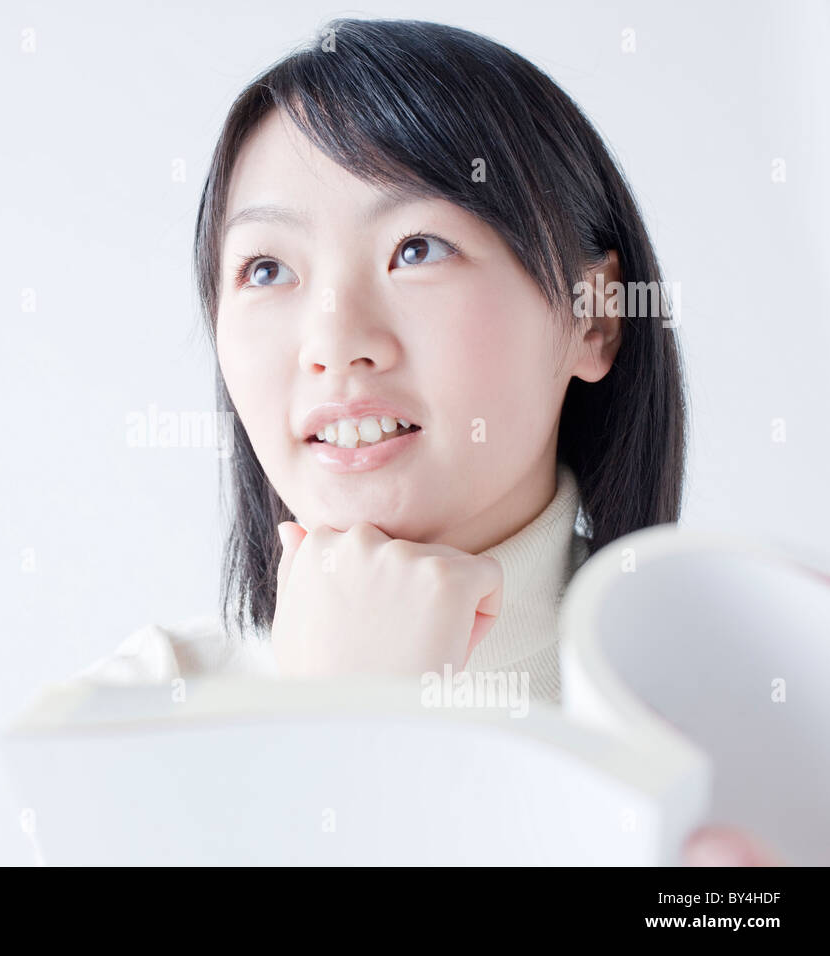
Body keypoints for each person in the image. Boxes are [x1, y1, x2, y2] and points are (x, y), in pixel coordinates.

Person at [69, 17, 776, 867]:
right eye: (267, 269)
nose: (335, 340)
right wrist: (347, 724)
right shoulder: (131, 724)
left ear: (593, 314)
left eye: (418, 248)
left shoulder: (744, 725)